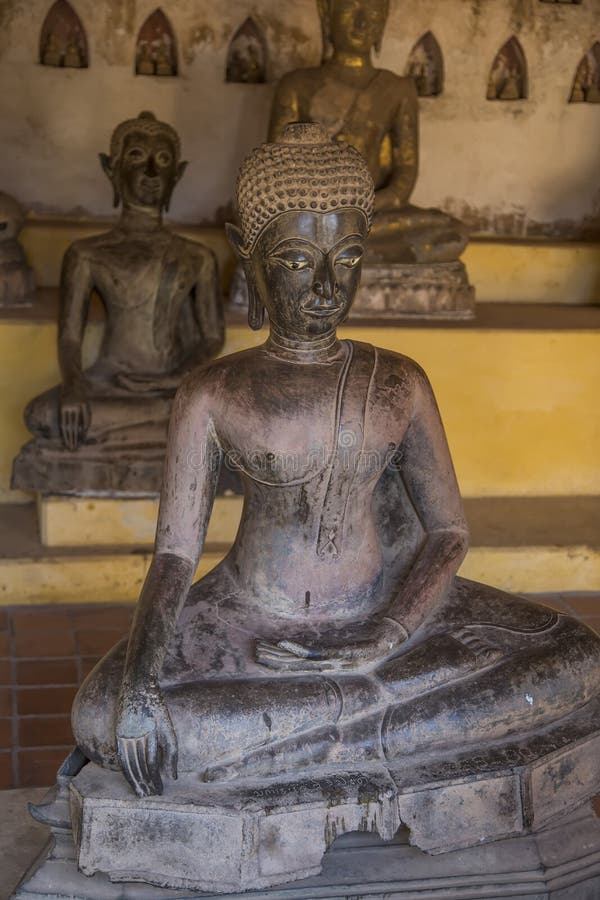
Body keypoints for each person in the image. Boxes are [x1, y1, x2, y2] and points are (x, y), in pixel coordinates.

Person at [73, 123, 600, 798]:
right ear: (248, 252)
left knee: (578, 655)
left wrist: (387, 633)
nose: (324, 286)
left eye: (346, 258)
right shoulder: (213, 391)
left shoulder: (399, 380)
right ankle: (382, 716)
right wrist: (143, 687)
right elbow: (175, 558)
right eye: (296, 261)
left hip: (384, 613)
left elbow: (448, 533)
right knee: (101, 716)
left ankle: (314, 730)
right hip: (249, 617)